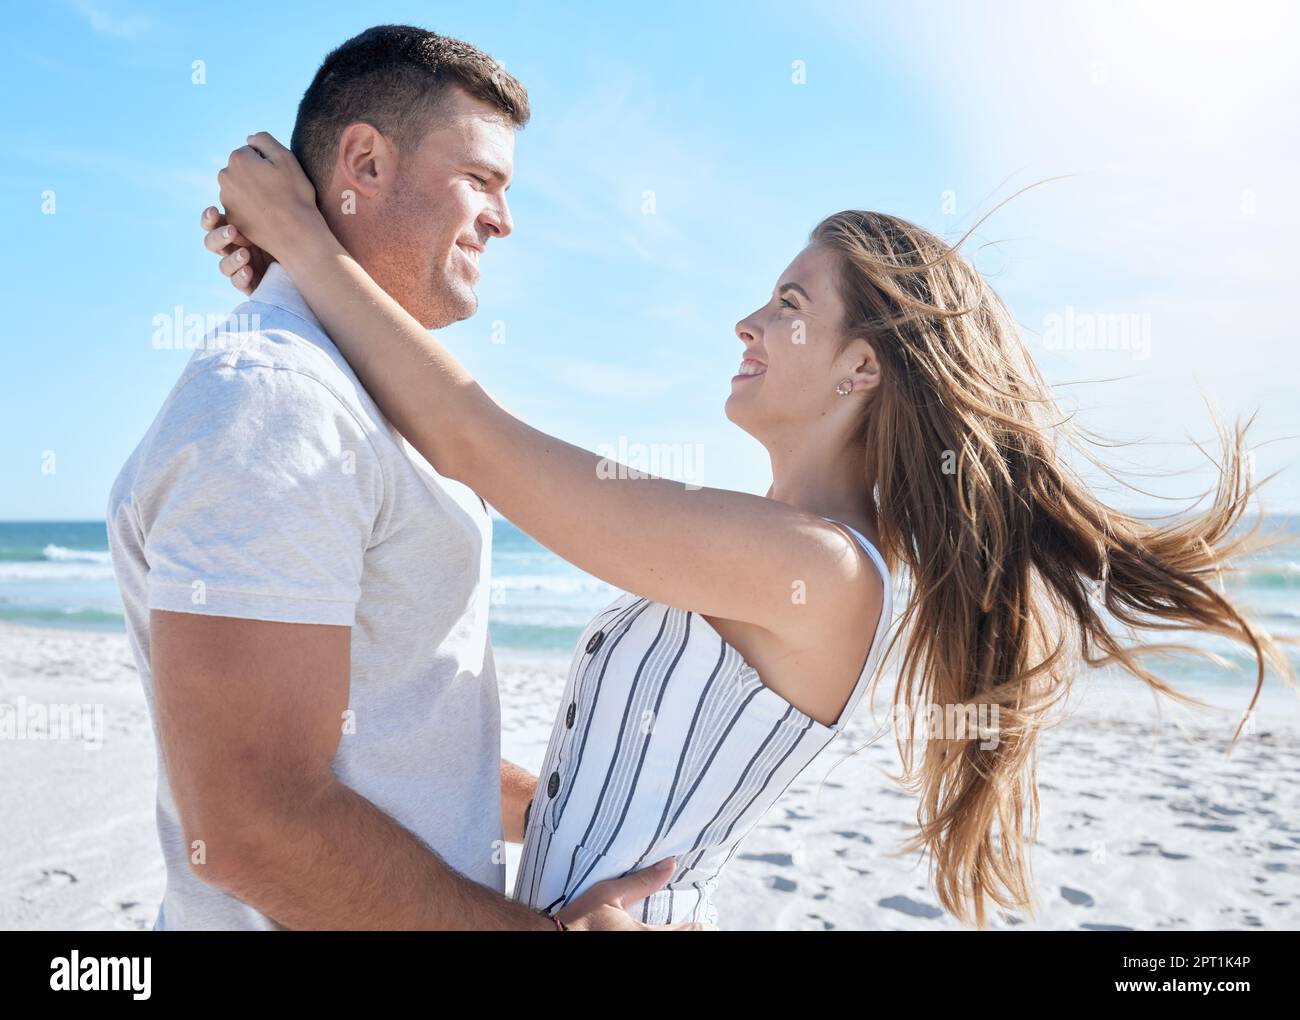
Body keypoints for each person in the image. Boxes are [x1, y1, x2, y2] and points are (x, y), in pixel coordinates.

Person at [206, 124, 1296, 927]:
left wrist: (310, 242)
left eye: (789, 304)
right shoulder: (775, 554)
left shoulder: (814, 570)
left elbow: (475, 439)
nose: (747, 320)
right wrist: (298, 294)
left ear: (861, 369)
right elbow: (599, 799)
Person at [108, 24, 702, 931]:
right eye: (483, 181)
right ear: (366, 162)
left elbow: (399, 724)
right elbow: (251, 825)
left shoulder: (369, 399)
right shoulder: (275, 402)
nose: (504, 220)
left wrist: (564, 817)